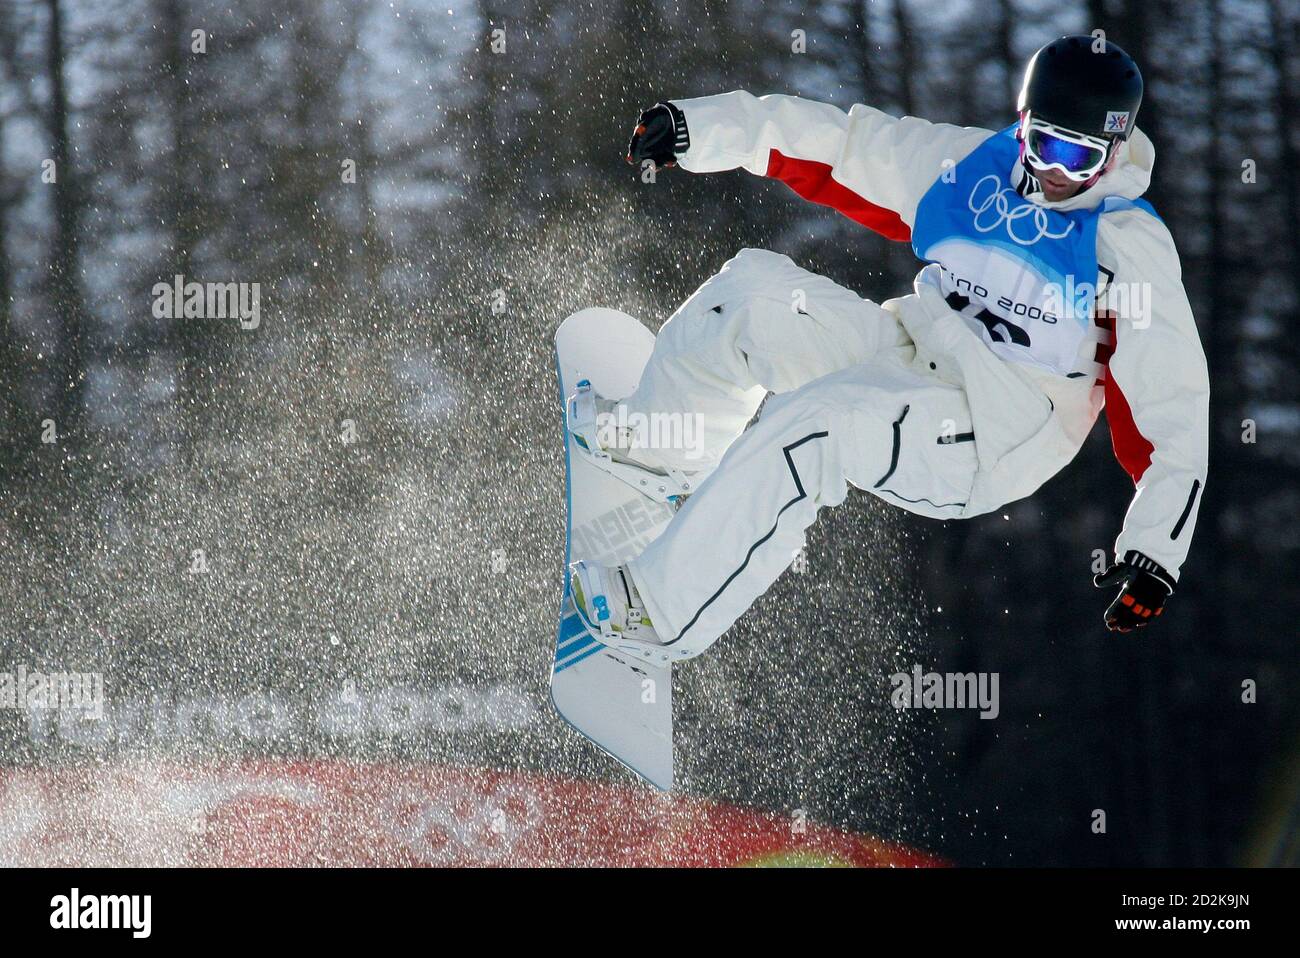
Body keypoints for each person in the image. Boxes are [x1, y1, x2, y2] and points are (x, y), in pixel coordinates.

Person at [566, 35, 1209, 664]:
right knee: (752, 294)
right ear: (1024, 124)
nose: (1057, 174)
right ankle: (661, 450)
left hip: (993, 430)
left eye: (1081, 159)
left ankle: (657, 614)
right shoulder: (970, 171)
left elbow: (1173, 408)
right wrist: (698, 128)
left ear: (1116, 152)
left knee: (814, 429)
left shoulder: (1125, 251)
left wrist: (1154, 555)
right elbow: (844, 146)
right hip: (914, 346)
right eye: (1044, 146)